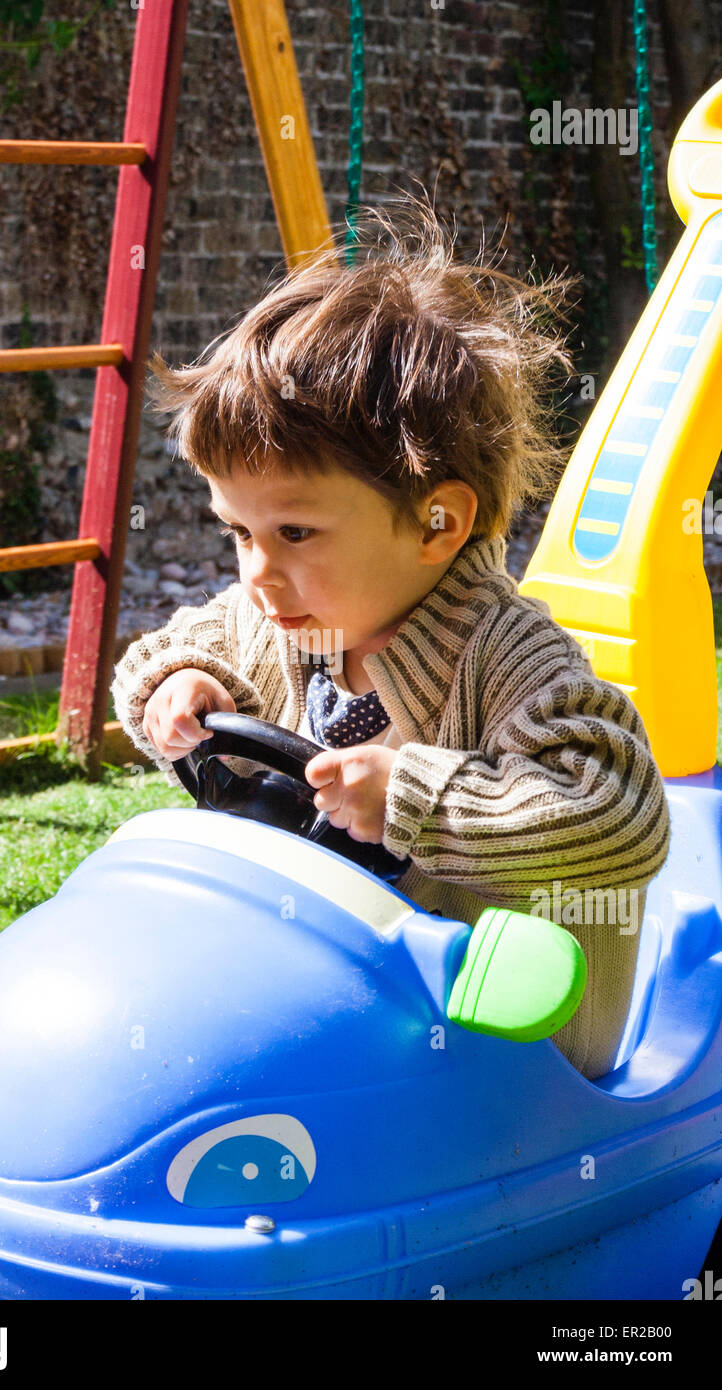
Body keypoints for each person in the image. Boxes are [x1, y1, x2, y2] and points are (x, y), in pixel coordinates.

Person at [111, 191, 671, 1081]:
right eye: (238, 532)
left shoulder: (509, 654)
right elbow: (171, 651)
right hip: (327, 1000)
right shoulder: (275, 615)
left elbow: (620, 815)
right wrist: (176, 687)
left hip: (503, 1046)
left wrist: (418, 799)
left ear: (437, 525)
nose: (256, 571)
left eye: (295, 533)